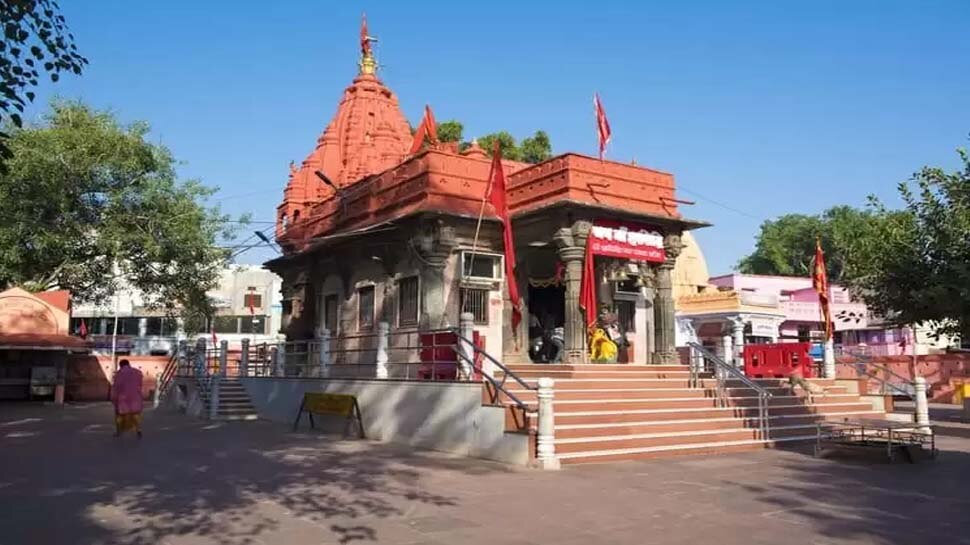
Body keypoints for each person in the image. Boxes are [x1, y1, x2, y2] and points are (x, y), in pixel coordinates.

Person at [111, 359, 144, 438]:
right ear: (129, 364)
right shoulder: (138, 372)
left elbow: (116, 387)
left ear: (120, 365)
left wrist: (113, 398)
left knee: (119, 415)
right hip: (135, 397)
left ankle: (118, 432)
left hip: (122, 398)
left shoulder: (118, 374)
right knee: (135, 415)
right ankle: (138, 430)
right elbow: (140, 385)